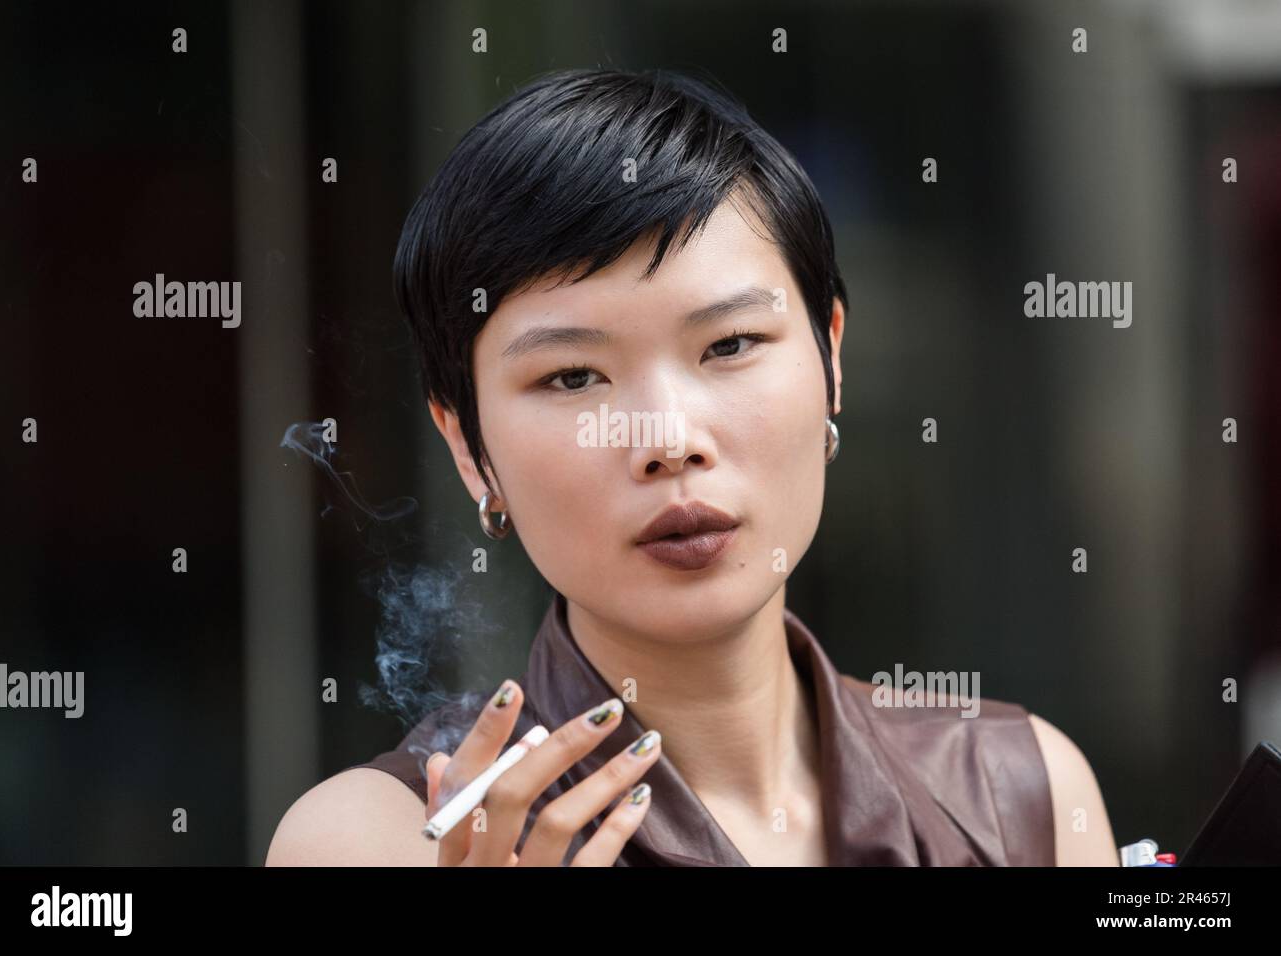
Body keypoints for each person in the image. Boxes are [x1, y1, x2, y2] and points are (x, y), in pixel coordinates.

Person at [266, 67, 1118, 867]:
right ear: (466, 444)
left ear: (832, 359)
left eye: (730, 344)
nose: (668, 439)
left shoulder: (1019, 794)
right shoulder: (391, 838)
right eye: (572, 376)